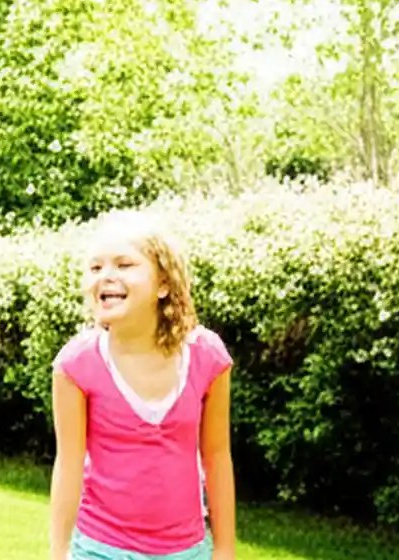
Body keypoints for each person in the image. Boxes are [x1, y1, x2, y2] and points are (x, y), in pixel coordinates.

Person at [49, 211, 236, 560]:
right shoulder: (76, 364)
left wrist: (224, 549)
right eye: (95, 268)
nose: (106, 276)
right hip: (97, 549)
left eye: (124, 264)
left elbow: (217, 455)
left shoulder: (207, 356)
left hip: (187, 550)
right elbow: (69, 463)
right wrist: (59, 553)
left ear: (163, 284)